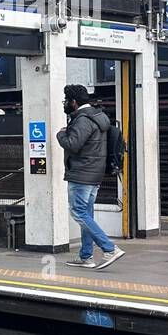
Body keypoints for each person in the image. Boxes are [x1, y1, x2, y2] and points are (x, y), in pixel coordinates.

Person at [57, 84, 123, 269]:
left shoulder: (82, 119)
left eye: (66, 101)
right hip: (94, 172)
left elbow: (72, 144)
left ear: (74, 102)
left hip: (81, 173)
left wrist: (61, 134)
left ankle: (109, 248)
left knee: (78, 212)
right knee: (86, 213)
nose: (65, 104)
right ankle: (86, 256)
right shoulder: (97, 116)